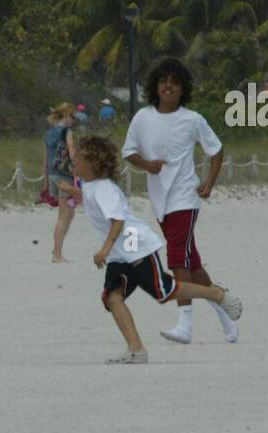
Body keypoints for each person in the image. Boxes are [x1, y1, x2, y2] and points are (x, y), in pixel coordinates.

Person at [73, 135, 242, 364]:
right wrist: (72, 192)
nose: (74, 159)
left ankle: (216, 294)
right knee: (112, 298)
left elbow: (118, 221)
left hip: (135, 245)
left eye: (79, 158)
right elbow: (93, 203)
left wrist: (105, 249)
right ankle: (136, 350)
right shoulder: (91, 185)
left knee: (163, 292)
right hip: (119, 253)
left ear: (92, 163)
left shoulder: (104, 188)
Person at [122, 57, 238, 344]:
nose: (168, 86)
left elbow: (216, 150)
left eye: (174, 82)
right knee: (193, 263)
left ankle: (184, 323)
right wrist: (148, 166)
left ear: (183, 88)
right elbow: (129, 151)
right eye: (163, 81)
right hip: (160, 200)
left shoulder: (192, 119)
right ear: (155, 86)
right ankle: (226, 318)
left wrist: (209, 183)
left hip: (185, 197)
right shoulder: (142, 117)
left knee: (176, 258)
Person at [42, 103, 78, 262]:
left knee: (68, 214)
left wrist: (45, 181)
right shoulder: (67, 132)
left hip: (53, 176)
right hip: (65, 176)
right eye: (72, 116)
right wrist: (78, 171)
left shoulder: (49, 133)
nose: (73, 119)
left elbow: (45, 159)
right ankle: (56, 253)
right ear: (65, 116)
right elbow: (71, 152)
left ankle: (56, 251)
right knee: (64, 216)